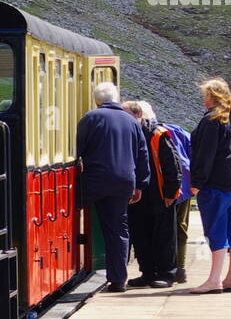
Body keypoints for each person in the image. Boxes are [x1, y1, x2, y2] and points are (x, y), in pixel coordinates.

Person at [76, 82, 149, 292]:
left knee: (75, 219)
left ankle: (79, 264)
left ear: (97, 101)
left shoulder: (90, 118)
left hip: (94, 181)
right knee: (118, 230)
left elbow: (77, 149)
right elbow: (142, 155)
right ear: (116, 98)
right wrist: (140, 185)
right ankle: (118, 280)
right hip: (123, 182)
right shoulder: (132, 121)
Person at [189, 78, 231, 293]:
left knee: (216, 231)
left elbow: (205, 155)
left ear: (211, 97)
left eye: (205, 95)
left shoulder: (211, 120)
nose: (204, 99)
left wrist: (197, 183)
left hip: (215, 185)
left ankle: (214, 279)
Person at [122, 100, 183, 287]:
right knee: (140, 234)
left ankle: (167, 274)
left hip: (160, 193)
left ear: (138, 115)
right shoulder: (129, 134)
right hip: (139, 193)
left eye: (127, 115)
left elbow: (173, 165)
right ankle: (147, 272)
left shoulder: (158, 134)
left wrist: (171, 193)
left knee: (164, 235)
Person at [158, 113, 195, 283]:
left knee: (166, 228)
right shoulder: (177, 130)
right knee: (181, 227)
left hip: (167, 187)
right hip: (186, 185)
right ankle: (180, 269)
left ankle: (171, 268)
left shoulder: (156, 134)